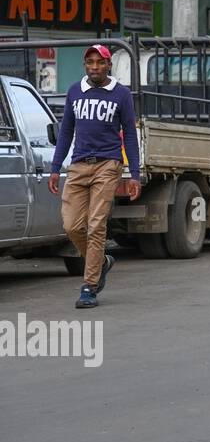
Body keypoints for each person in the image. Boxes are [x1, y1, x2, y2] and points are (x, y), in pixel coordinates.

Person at [49, 45, 142, 309]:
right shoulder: (75, 92)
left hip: (107, 165)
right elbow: (66, 131)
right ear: (85, 65)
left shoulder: (121, 94)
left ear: (108, 64)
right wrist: (56, 167)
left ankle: (89, 286)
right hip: (78, 165)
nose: (94, 67)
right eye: (89, 62)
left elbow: (130, 136)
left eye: (99, 62)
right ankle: (101, 262)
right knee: (71, 226)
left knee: (96, 225)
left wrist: (134, 173)